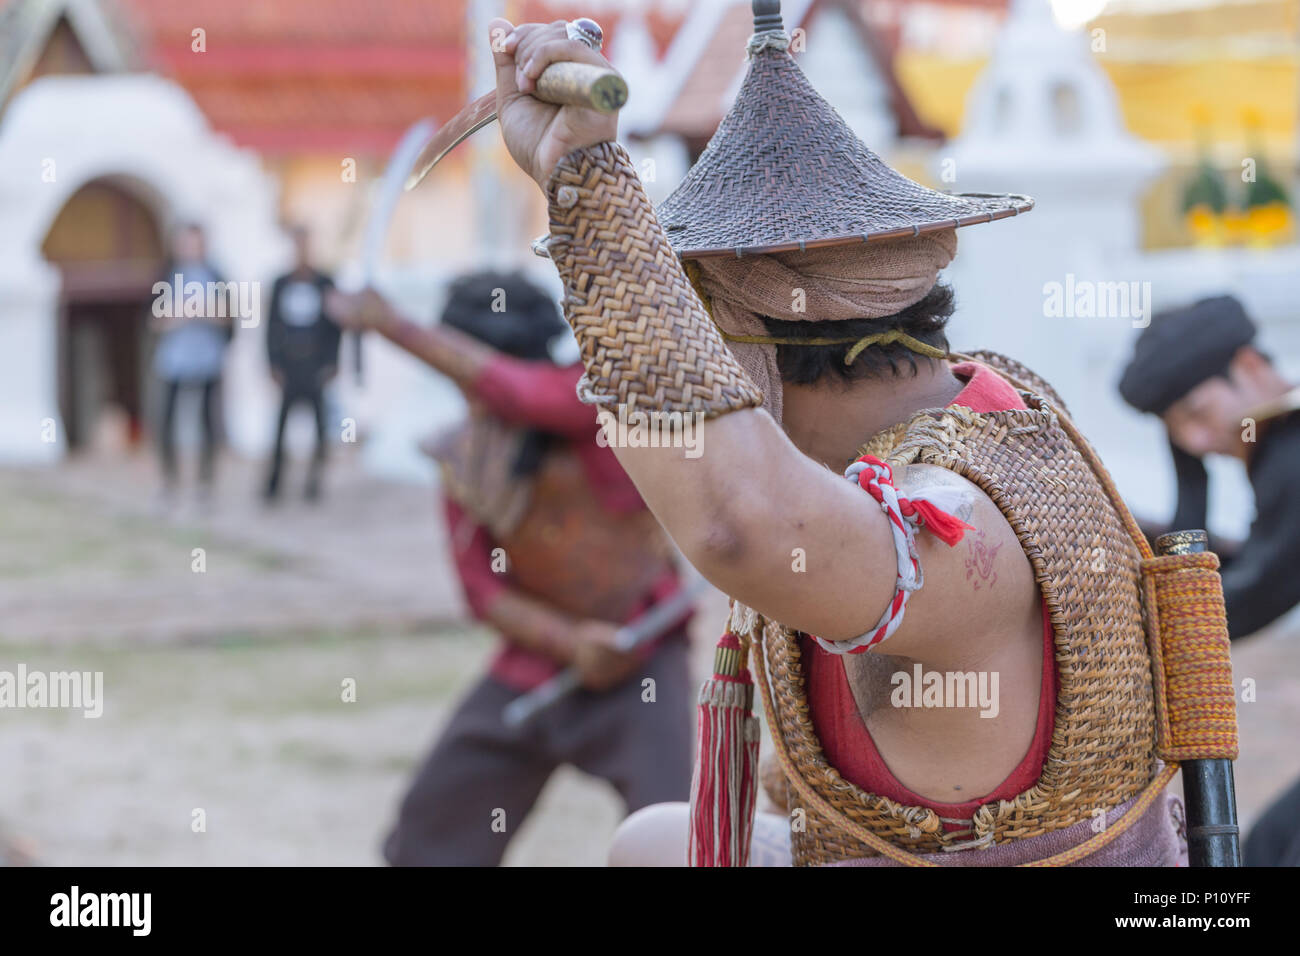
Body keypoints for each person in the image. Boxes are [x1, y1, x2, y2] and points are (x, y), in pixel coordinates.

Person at [482, 5, 1220, 866]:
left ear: (741, 352)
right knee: (648, 844)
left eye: (699, 335)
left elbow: (738, 525)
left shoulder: (956, 519)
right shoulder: (985, 401)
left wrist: (587, 179)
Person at [327, 270, 695, 866]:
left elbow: (521, 395)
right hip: (532, 670)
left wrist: (393, 325)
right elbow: (480, 591)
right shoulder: (467, 455)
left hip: (642, 658)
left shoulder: (592, 404)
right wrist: (570, 640)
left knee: (683, 837)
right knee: (427, 838)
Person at [1119, 294, 1300, 866]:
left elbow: (1250, 596)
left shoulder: (1290, 456)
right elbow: (1269, 557)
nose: (1197, 442)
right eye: (1178, 434)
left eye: (1198, 414)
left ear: (1248, 366)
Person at [151, 222, 230, 505]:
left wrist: (207, 312)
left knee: (208, 424)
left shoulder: (216, 275)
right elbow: (153, 321)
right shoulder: (167, 275)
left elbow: (230, 318)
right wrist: (181, 314)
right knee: (165, 422)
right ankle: (169, 482)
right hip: (174, 360)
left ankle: (204, 485)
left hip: (208, 360)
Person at [264, 226, 341, 502]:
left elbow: (335, 327)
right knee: (280, 427)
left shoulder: (325, 283)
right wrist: (272, 363)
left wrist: (332, 362)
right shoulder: (280, 284)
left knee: (320, 429)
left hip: (315, 365)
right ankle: (274, 483)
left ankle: (314, 484)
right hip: (289, 364)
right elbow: (271, 327)